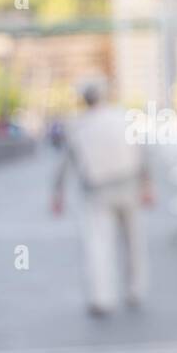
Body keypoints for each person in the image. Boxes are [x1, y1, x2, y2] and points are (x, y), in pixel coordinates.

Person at [51, 80, 153, 316]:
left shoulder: (78, 125)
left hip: (97, 191)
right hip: (129, 185)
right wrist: (148, 185)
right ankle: (135, 289)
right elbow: (142, 152)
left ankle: (102, 297)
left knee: (98, 245)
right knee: (134, 243)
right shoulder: (122, 118)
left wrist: (58, 193)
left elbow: (65, 162)